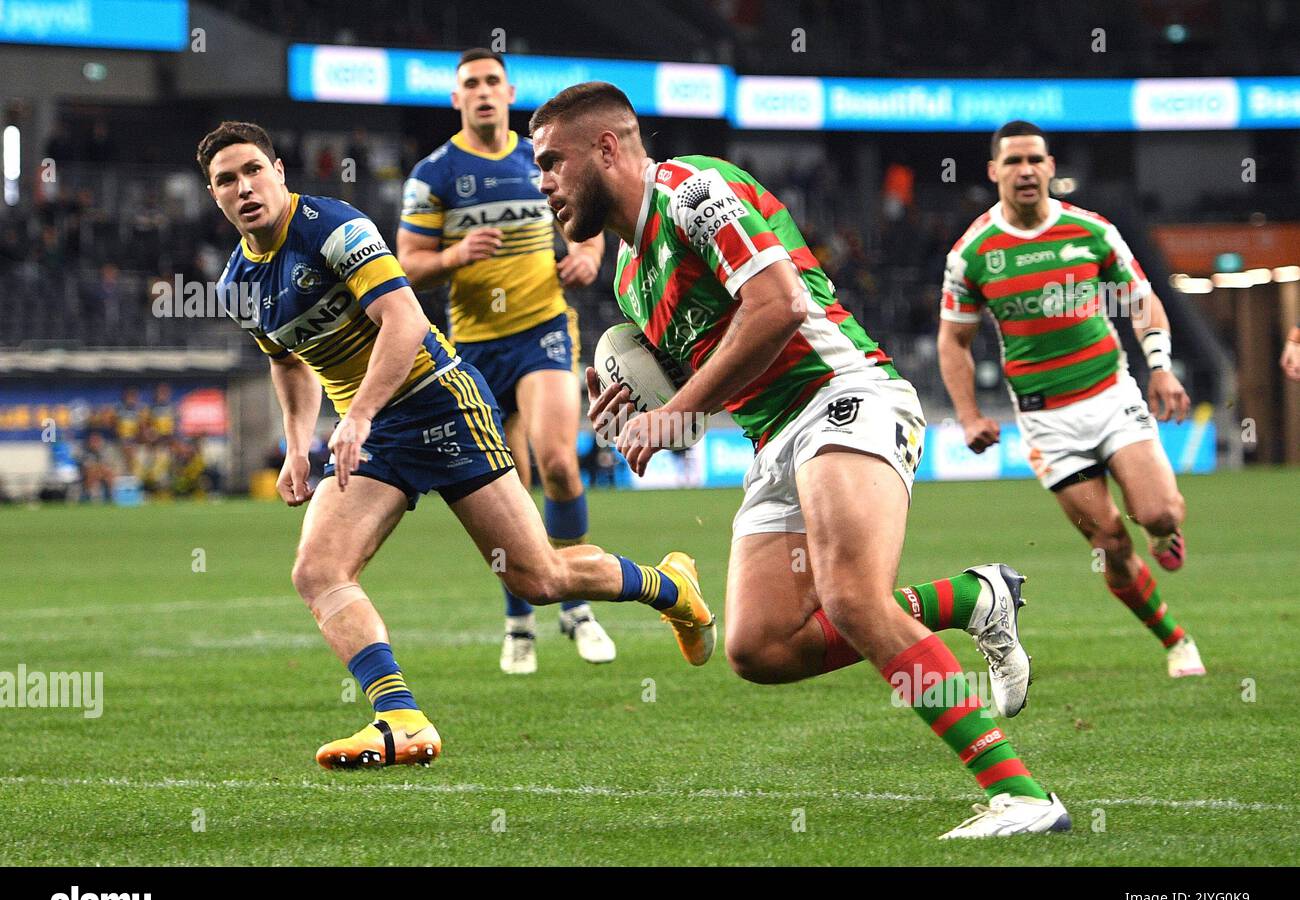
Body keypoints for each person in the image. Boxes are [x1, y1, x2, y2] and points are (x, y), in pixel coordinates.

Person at [530, 82, 1068, 839]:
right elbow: (709, 368)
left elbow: (777, 305)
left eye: (553, 162)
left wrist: (676, 412)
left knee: (851, 597)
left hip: (843, 393)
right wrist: (640, 400)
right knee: (761, 646)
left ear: (608, 148)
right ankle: (971, 600)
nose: (544, 182)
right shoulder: (626, 275)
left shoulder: (694, 192)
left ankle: (1023, 795)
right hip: (774, 435)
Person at [199, 120, 715, 770]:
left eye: (252, 170)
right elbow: (287, 361)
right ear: (214, 196)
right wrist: (297, 445)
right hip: (376, 432)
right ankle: (400, 718)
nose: (243, 187)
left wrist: (353, 418)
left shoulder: (334, 228)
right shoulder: (237, 285)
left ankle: (670, 588)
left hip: (438, 400)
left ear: (278, 172)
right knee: (317, 570)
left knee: (539, 577)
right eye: (226, 180)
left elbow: (407, 320)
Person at [937, 120, 1203, 680]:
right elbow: (953, 340)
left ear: (1051, 167)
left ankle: (1164, 530)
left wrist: (1159, 367)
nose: (1026, 170)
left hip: (1110, 394)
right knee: (1109, 540)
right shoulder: (973, 253)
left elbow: (1141, 300)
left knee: (1157, 511)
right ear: (994, 173)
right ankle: (1176, 640)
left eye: (1035, 159)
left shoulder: (1092, 232)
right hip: (1045, 419)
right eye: (1013, 161)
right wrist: (967, 415)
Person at [396, 48, 614, 675]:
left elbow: (590, 218)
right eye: (471, 84)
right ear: (456, 99)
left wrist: (590, 255)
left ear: (510, 91)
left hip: (543, 329)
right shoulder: (434, 173)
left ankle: (578, 604)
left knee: (559, 465)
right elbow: (406, 261)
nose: (484, 91)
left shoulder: (539, 157)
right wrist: (455, 255)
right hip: (473, 345)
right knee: (511, 492)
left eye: (493, 81)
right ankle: (520, 621)